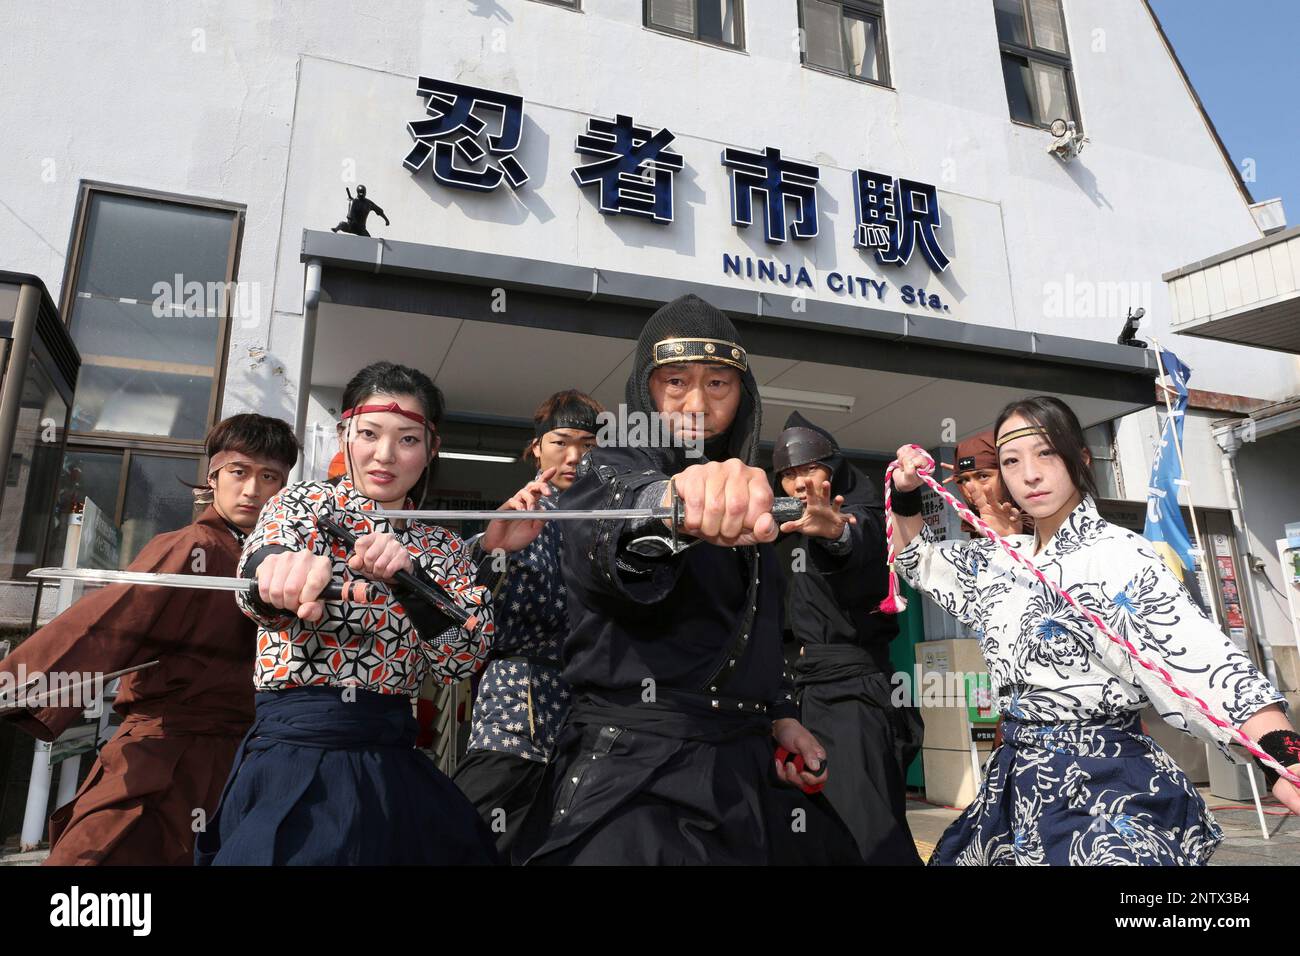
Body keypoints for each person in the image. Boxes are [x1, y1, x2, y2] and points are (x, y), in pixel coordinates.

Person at [513, 293, 861, 865]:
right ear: (645, 391)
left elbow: (762, 631)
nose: (697, 403)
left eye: (718, 384)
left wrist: (781, 716)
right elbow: (616, 526)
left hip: (748, 761)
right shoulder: (604, 471)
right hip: (635, 764)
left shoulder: (759, 499)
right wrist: (670, 503)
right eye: (675, 382)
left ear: (742, 395)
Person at [888, 395, 1300, 865]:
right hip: (1014, 784)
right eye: (1011, 461)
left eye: (1046, 453)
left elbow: (1201, 658)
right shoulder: (1000, 563)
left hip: (1103, 787)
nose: (1030, 474)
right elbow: (914, 558)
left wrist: (1281, 754)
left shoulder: (1119, 555)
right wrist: (904, 491)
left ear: (1080, 459)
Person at [195, 362, 498, 865]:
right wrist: (280, 574)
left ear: (431, 448)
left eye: (406, 439)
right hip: (295, 752)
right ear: (344, 435)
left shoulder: (443, 545)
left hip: (392, 760)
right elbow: (260, 573)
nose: (384, 454)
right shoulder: (301, 504)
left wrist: (413, 583)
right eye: (370, 434)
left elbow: (463, 658)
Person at [0, 414, 297, 865]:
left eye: (269, 476)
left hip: (237, 757)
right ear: (213, 476)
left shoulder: (271, 560)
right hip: (162, 752)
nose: (253, 490)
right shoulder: (190, 546)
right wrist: (16, 682)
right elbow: (113, 616)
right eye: (239, 472)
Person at [453, 389, 602, 856]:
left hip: (586, 706)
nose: (574, 455)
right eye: (560, 441)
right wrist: (493, 546)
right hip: (516, 698)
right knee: (469, 828)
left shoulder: (603, 515)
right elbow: (462, 580)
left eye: (587, 443)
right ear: (537, 447)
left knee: (552, 838)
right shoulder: (519, 509)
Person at [771, 412, 922, 865]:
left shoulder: (862, 513)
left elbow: (854, 539)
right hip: (794, 698)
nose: (799, 483)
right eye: (789, 474)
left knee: (868, 832)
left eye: (810, 470)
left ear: (833, 469)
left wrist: (836, 533)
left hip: (851, 698)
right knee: (807, 832)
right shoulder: (781, 529)